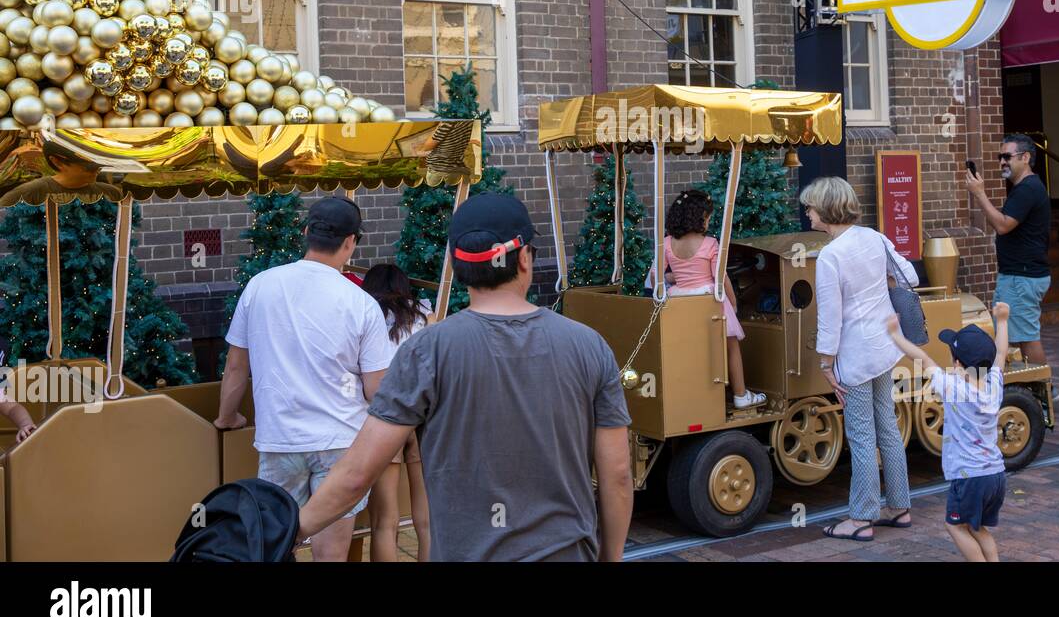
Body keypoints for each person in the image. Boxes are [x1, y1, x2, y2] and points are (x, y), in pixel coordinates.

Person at [296, 193, 634, 561]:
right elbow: (616, 475)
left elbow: (356, 475)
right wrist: (610, 557)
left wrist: (288, 529)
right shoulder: (589, 346)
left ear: (458, 267)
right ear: (524, 259)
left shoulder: (427, 351)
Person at [213, 196, 395, 562]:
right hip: (342, 443)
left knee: (274, 546)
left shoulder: (260, 287)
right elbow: (377, 390)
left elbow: (235, 368)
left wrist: (227, 418)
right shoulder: (361, 303)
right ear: (351, 242)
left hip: (280, 440)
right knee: (331, 554)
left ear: (306, 231)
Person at [801, 176, 913, 542]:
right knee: (888, 428)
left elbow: (829, 317)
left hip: (855, 355)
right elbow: (908, 274)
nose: (807, 212)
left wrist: (824, 363)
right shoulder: (874, 238)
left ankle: (861, 517)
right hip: (885, 346)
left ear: (826, 209)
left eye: (811, 206)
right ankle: (898, 507)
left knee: (862, 436)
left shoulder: (830, 255)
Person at [886, 303, 1010, 562]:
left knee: (954, 526)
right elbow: (1000, 353)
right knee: (977, 528)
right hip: (995, 474)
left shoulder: (952, 387)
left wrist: (896, 336)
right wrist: (1003, 320)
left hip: (970, 477)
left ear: (957, 362)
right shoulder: (994, 385)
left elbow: (922, 359)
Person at [650, 189, 765, 410]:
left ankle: (688, 392)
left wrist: (674, 277)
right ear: (700, 217)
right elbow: (721, 278)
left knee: (689, 348)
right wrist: (733, 303)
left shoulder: (666, 243)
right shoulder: (711, 244)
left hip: (680, 300)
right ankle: (741, 394)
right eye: (708, 217)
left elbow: (656, 275)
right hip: (708, 300)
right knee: (731, 346)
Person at [360, 264, 432, 562]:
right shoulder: (425, 315)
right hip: (422, 417)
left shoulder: (365, 315)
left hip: (383, 418)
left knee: (384, 523)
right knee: (427, 521)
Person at [964, 133, 1052, 371]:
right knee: (1022, 334)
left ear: (1025, 157)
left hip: (1021, 277)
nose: (1002, 161)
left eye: (1007, 156)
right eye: (999, 157)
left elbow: (1003, 225)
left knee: (1026, 335)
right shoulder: (1026, 188)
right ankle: (1038, 389)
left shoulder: (1027, 189)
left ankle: (1042, 391)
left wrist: (980, 194)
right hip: (1021, 275)